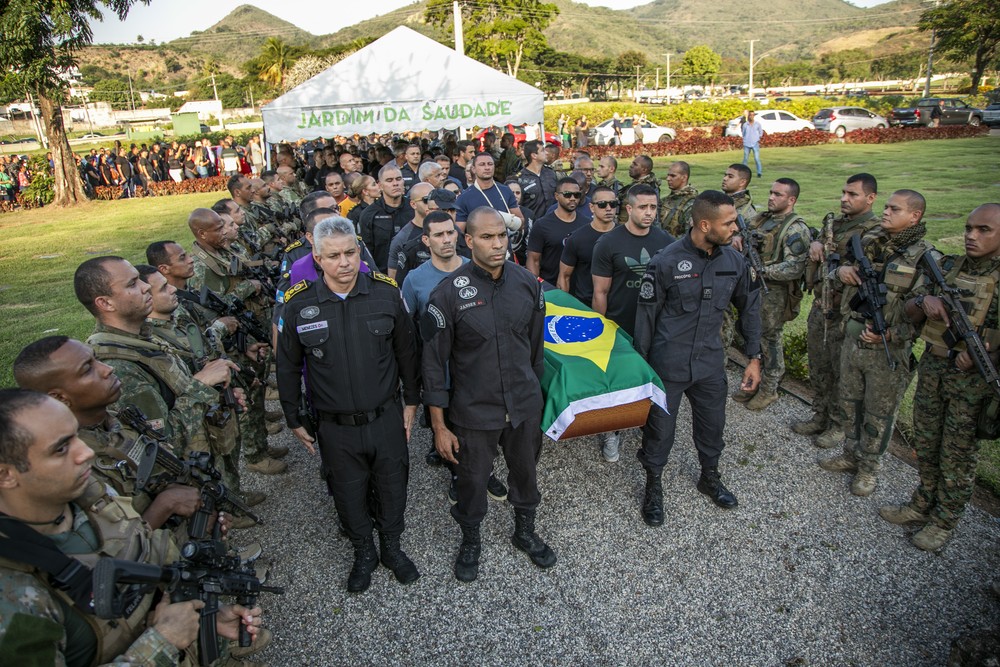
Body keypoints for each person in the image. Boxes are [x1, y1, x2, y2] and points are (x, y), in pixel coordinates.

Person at [0, 389, 265, 665]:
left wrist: (205, 616)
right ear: (5, 474)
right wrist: (162, 642)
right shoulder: (11, 596)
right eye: (61, 448)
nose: (86, 452)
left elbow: (145, 560)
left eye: (77, 436)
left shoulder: (90, 497)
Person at [276, 217, 421, 593]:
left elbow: (407, 351)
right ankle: (364, 553)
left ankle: (391, 548)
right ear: (317, 258)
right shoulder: (299, 304)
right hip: (334, 426)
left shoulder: (385, 293)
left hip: (385, 417)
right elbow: (287, 365)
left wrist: (411, 401)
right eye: (334, 255)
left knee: (393, 486)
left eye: (351, 253)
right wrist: (293, 416)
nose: (345, 262)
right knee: (347, 492)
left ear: (360, 252)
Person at [422, 206, 556, 583]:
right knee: (472, 481)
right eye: (487, 237)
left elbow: (535, 349)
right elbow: (433, 366)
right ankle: (470, 540)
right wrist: (439, 426)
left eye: (502, 236)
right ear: (469, 241)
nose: (498, 244)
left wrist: (535, 399)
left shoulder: (527, 283)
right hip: (474, 413)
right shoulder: (447, 294)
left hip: (523, 407)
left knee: (526, 474)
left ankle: (524, 531)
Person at [634, 191, 763, 524]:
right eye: (729, 222)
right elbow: (646, 319)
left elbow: (749, 308)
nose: (736, 227)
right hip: (668, 365)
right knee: (659, 431)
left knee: (712, 426)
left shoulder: (733, 262)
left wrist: (753, 357)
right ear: (705, 225)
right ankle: (654, 485)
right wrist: (641, 369)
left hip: (709, 363)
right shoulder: (665, 261)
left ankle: (710, 476)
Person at [882, 203, 1000, 551]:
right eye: (968, 228)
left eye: (983, 230)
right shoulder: (946, 266)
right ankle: (922, 502)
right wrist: (926, 301)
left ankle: (944, 520)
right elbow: (907, 308)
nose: (971, 236)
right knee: (928, 441)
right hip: (934, 368)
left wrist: (989, 357)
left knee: (957, 452)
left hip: (974, 379)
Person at [818, 190, 938, 497]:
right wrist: (841, 270)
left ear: (915, 216)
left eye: (894, 209)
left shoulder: (926, 258)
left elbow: (927, 314)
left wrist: (891, 335)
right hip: (853, 338)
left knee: (878, 412)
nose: (885, 212)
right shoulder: (870, 242)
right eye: (885, 207)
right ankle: (849, 454)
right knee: (849, 402)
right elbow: (834, 267)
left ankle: (869, 468)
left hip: (887, 351)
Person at [792, 174, 881, 445]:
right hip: (821, 307)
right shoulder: (835, 224)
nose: (844, 198)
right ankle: (820, 414)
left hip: (846, 314)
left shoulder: (874, 231)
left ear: (870, 198)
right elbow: (822, 246)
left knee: (843, 373)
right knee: (819, 365)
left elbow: (865, 271)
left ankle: (839, 424)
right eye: (843, 192)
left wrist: (841, 269)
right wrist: (816, 243)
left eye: (852, 194)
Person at [732, 178, 809, 411]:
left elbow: (795, 267)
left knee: (769, 339)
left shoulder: (795, 228)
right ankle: (754, 380)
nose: (771, 197)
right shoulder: (762, 220)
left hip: (773, 292)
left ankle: (770, 389)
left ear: (791, 200)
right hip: (753, 287)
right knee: (749, 333)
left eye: (778, 194)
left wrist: (762, 270)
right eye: (771, 192)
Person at [558, 185, 619, 308]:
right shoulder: (577, 238)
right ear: (592, 207)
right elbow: (564, 277)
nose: (608, 208)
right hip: (585, 305)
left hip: (618, 306)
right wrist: (564, 307)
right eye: (602, 204)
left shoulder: (625, 236)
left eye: (613, 204)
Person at [526, 177, 588, 284]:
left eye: (577, 195)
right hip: (551, 288)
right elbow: (533, 260)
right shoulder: (542, 225)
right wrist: (536, 287)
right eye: (567, 194)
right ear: (556, 196)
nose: (573, 198)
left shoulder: (586, 224)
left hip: (580, 289)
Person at [358, 164, 414, 272]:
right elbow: (366, 252)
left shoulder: (414, 208)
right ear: (380, 185)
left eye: (398, 179)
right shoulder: (369, 214)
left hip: (413, 273)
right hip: (382, 275)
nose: (395, 183)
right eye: (389, 180)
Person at [515, 140, 558, 222]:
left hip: (552, 223)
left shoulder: (551, 173)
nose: (546, 153)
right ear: (534, 155)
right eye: (542, 150)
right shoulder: (520, 179)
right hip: (533, 226)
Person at [659, 161, 699, 237]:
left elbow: (689, 236)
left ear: (684, 178)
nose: (668, 179)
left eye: (673, 176)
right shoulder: (666, 200)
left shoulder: (691, 203)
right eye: (668, 175)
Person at [617, 155, 659, 223]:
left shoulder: (646, 189)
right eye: (632, 163)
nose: (631, 166)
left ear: (644, 169)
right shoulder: (634, 185)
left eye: (635, 164)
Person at [741, 110, 765, 178]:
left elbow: (761, 132)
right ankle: (743, 173)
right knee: (745, 159)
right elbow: (743, 133)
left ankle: (759, 172)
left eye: (752, 115)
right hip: (747, 143)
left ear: (754, 116)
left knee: (757, 158)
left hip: (755, 143)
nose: (751, 116)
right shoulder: (745, 125)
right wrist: (745, 139)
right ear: (748, 116)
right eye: (750, 115)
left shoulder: (757, 124)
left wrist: (758, 138)